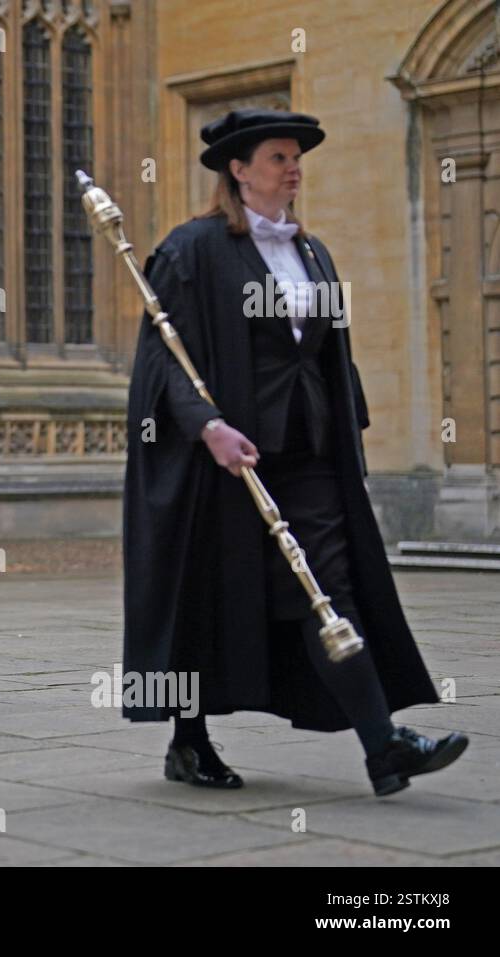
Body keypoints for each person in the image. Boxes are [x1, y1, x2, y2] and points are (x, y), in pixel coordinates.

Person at [123, 109, 467, 796]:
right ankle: (188, 742)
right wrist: (207, 426)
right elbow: (165, 359)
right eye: (279, 156)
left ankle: (383, 744)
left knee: (329, 590)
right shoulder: (191, 250)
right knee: (206, 595)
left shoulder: (314, 253)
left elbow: (329, 352)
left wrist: (349, 428)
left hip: (307, 455)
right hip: (224, 461)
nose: (293, 167)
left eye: (296, 157)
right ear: (240, 170)